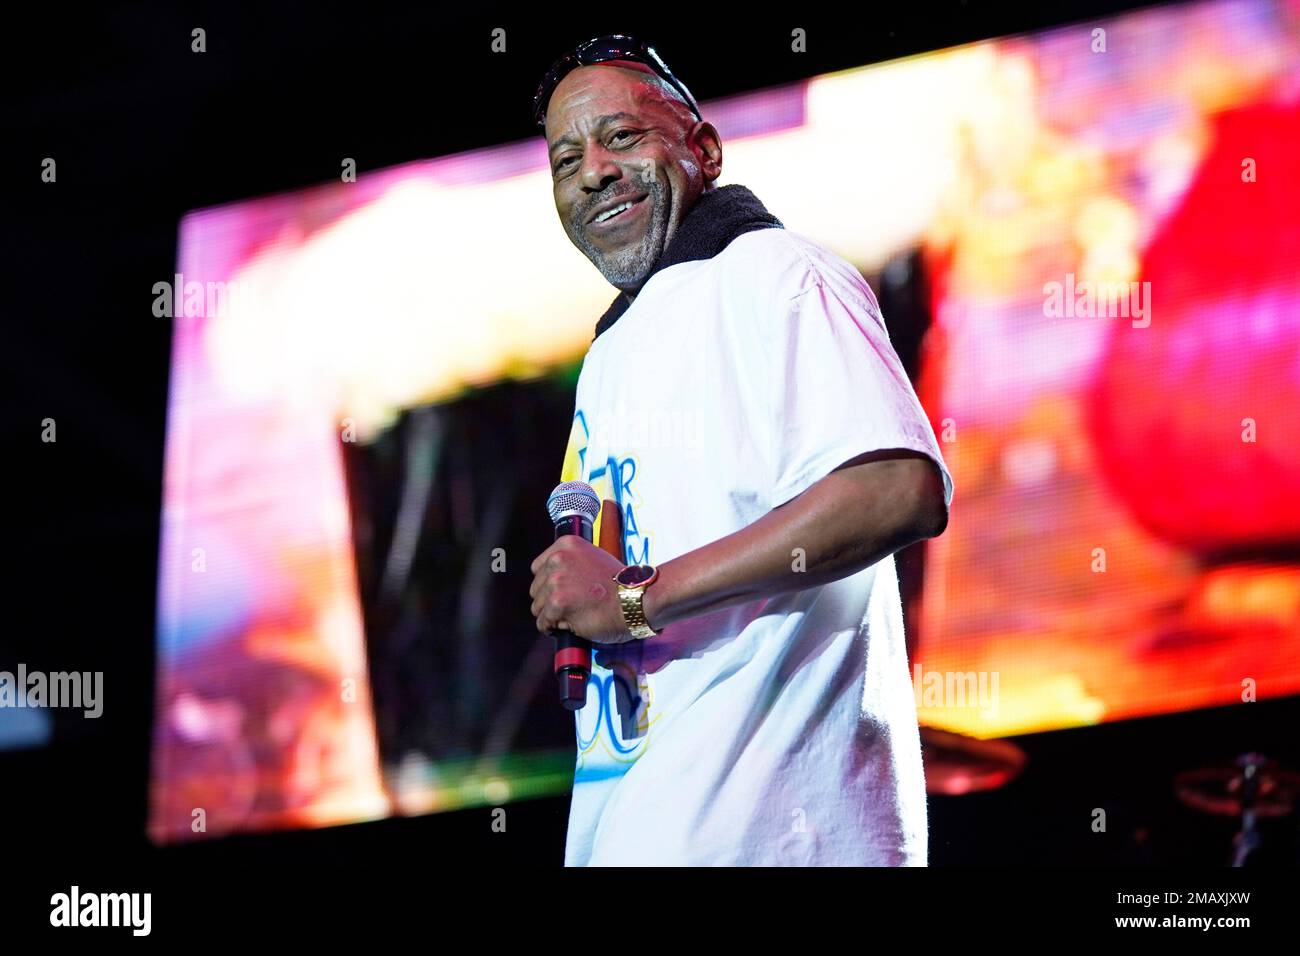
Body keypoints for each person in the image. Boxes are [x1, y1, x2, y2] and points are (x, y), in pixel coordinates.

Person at [527, 35, 953, 866]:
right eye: (565, 158)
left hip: (773, 836)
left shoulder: (774, 274)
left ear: (703, 149)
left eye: (621, 137)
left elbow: (895, 487)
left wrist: (635, 597)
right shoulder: (612, 351)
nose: (593, 172)